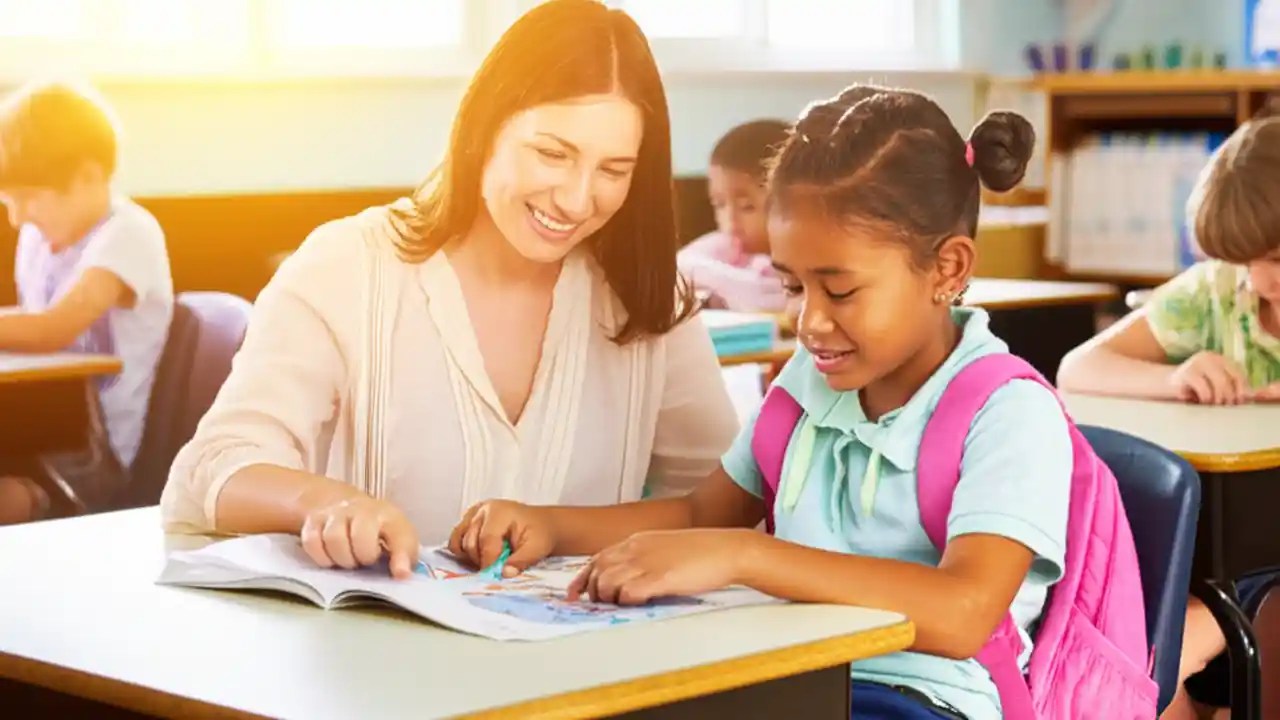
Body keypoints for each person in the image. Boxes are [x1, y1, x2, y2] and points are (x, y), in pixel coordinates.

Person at [450, 85, 1091, 720]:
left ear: (948, 269)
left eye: (838, 291)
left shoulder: (1008, 413)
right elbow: (706, 511)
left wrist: (746, 555)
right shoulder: (806, 387)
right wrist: (552, 526)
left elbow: (963, 614)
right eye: (791, 284)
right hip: (783, 675)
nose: (808, 321)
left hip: (916, 700)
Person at [159, 0, 738, 577]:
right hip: (374, 655)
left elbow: (724, 502)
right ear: (485, 130)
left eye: (614, 170)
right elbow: (216, 466)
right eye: (552, 154)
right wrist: (324, 503)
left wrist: (563, 528)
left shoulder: (650, 295)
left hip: (586, 658)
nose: (578, 199)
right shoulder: (349, 265)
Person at [1059, 117, 1280, 719]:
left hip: (1258, 566)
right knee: (1137, 645)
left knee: (1164, 650)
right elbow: (1079, 369)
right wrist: (1173, 377)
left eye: (1277, 258)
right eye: (1248, 260)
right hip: (1220, 544)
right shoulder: (1217, 293)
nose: (1263, 280)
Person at [0, 80, 173, 522]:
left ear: (88, 177)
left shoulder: (128, 234)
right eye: (8, 202)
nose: (17, 218)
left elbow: (51, 329)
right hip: (43, 423)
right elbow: (30, 321)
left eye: (28, 199)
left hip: (96, 452)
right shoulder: (39, 237)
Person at [678, 119, 790, 312]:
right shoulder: (725, 248)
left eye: (747, 207)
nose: (730, 221)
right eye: (719, 204)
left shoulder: (802, 259)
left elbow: (765, 297)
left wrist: (720, 284)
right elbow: (679, 267)